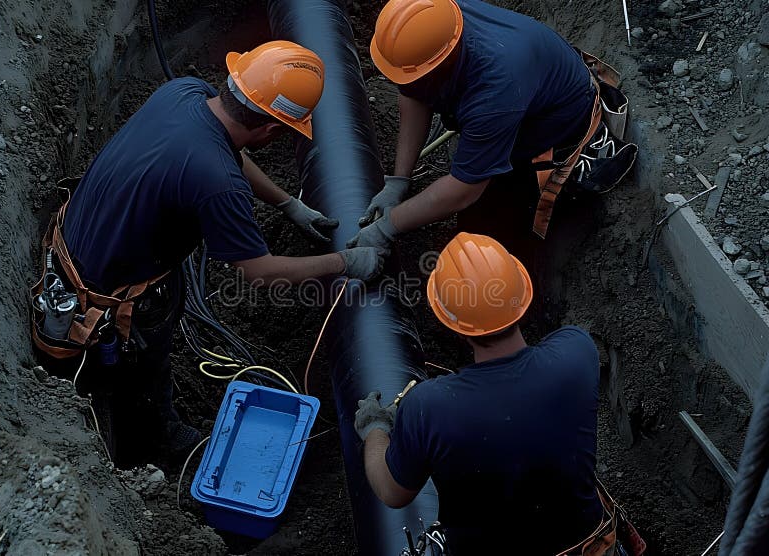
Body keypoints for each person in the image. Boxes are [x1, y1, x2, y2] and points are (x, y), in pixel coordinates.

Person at [43, 41, 386, 456]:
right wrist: (345, 261)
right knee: (145, 362)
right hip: (110, 294)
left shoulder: (185, 92)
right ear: (275, 129)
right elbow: (258, 271)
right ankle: (155, 439)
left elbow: (229, 150)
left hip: (74, 242)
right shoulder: (218, 184)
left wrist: (288, 204)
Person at [354, 232, 606, 554]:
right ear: (522, 295)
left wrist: (375, 429)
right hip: (588, 544)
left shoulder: (429, 407)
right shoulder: (577, 352)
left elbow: (392, 492)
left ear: (450, 324)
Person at [348, 0, 606, 267]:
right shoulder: (432, 21)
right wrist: (399, 180)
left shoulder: (496, 93)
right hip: (529, 81)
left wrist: (386, 227)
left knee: (485, 227)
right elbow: (412, 91)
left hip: (555, 122)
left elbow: (464, 190)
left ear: (441, 63)